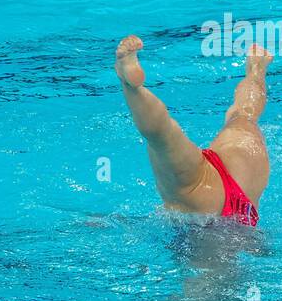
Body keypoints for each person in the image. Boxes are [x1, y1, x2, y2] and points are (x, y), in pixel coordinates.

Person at [114, 36, 270, 225]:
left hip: (235, 182)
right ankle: (256, 71)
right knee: (163, 139)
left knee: (166, 138)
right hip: (237, 188)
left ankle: (256, 70)